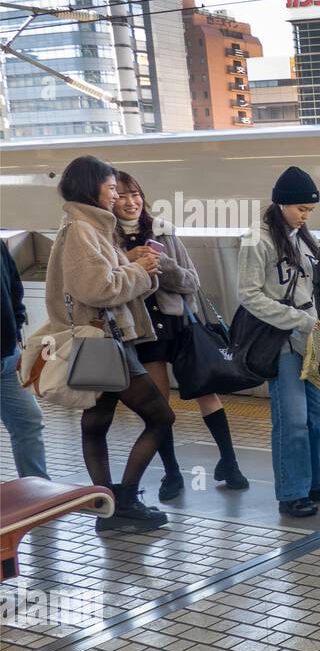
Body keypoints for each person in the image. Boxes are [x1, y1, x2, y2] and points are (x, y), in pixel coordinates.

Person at [46, 155, 174, 530]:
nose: (117, 195)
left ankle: (108, 507)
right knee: (160, 416)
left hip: (106, 341)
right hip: (104, 342)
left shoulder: (94, 227)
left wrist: (138, 268)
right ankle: (126, 500)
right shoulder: (83, 231)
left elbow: (113, 278)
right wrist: (137, 269)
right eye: (112, 187)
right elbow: (97, 288)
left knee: (96, 422)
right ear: (91, 187)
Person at [112, 170, 247, 500]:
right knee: (159, 405)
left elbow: (191, 280)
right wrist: (131, 266)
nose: (131, 202)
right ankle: (172, 473)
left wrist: (162, 264)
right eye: (122, 197)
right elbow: (110, 286)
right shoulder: (108, 240)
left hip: (179, 324)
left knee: (207, 392)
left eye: (135, 195)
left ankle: (230, 462)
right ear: (110, 202)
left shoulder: (162, 231)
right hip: (142, 330)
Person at [237, 167, 320, 517]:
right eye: (301, 209)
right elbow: (248, 295)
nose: (306, 216)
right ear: (281, 203)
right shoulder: (257, 239)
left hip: (316, 334)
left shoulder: (300, 235)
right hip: (283, 338)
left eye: (310, 211)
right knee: (293, 419)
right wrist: (300, 319)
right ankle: (292, 491)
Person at [1, 240, 49, 478]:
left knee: (28, 422)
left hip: (8, 356)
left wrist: (17, 326)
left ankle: (37, 491)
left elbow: (13, 286)